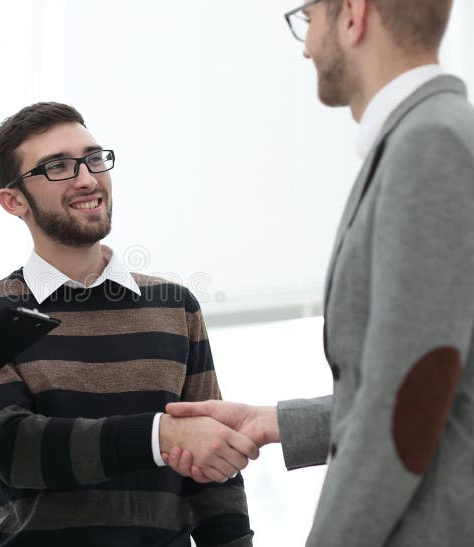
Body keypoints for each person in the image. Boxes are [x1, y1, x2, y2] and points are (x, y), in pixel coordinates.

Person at [165, 1, 474, 545]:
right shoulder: (429, 137)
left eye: (308, 18)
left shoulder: (428, 145)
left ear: (353, 15)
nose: (305, 47)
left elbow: (409, 406)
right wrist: (275, 421)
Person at [0, 102, 258, 546]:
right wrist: (159, 434)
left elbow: (214, 470)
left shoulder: (176, 307)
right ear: (13, 200)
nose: (88, 179)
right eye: (58, 167)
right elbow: (18, 451)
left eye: (94, 159)